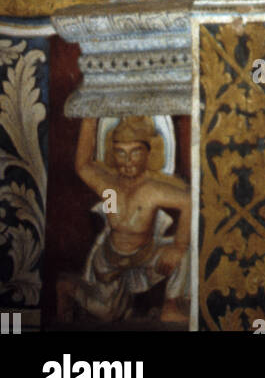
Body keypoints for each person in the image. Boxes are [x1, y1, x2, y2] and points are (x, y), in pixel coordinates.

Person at [58, 116, 190, 324]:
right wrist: (89, 119)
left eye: (135, 152)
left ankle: (171, 306)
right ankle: (68, 287)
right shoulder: (107, 184)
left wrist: (179, 246)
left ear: (148, 153)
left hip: (146, 256)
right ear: (113, 154)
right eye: (120, 153)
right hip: (110, 260)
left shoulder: (153, 189)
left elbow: (188, 202)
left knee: (184, 255)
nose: (128, 161)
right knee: (108, 314)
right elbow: (82, 165)